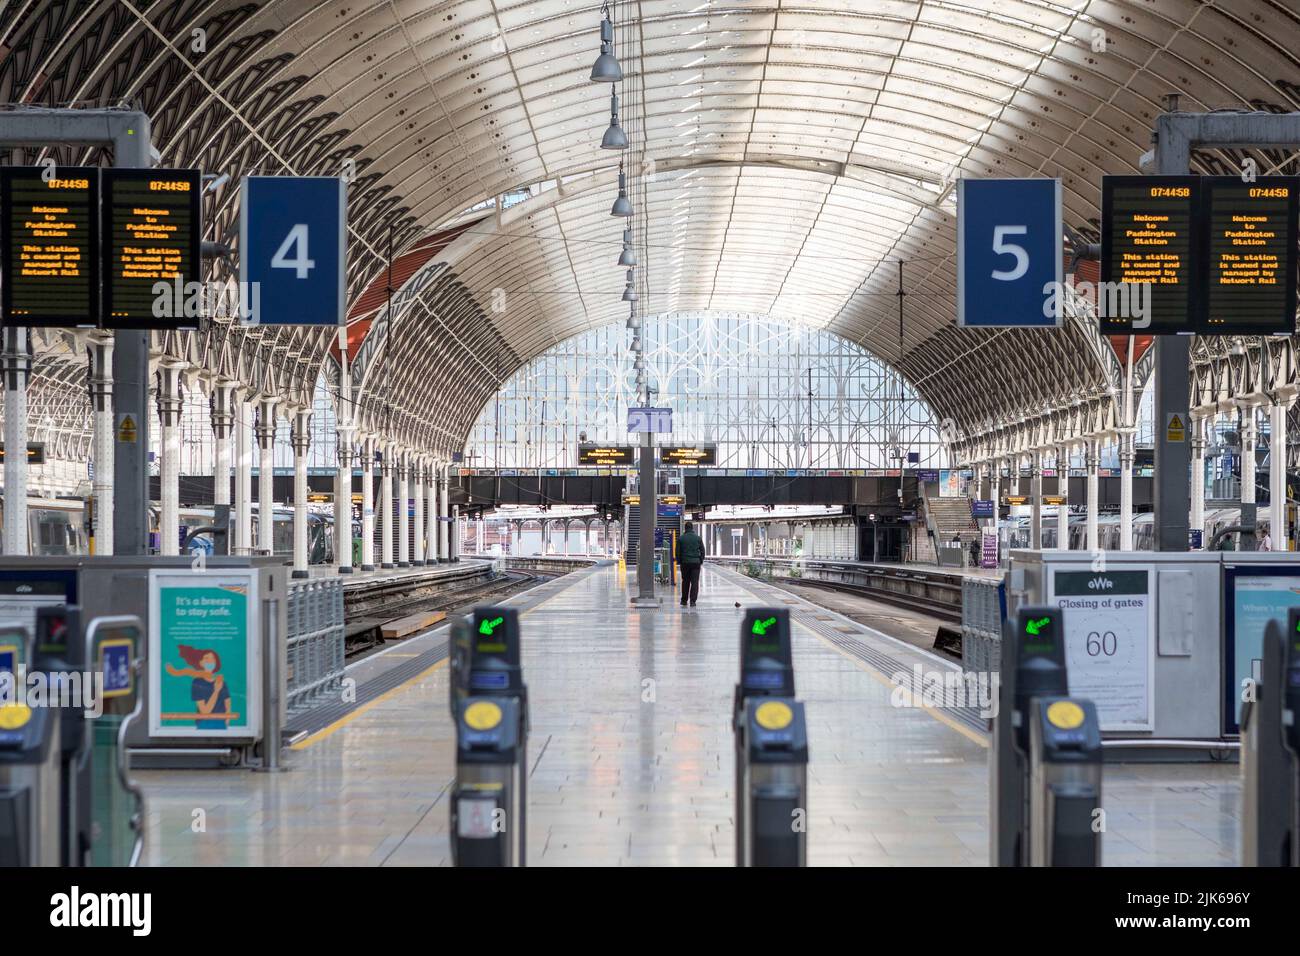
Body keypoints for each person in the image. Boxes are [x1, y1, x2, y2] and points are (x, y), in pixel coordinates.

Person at [676, 522, 706, 608]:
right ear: (692, 528)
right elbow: (703, 551)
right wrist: (700, 560)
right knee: (695, 582)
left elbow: (677, 552)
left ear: (685, 528)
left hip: (685, 563)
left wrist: (679, 561)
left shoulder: (681, 539)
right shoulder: (698, 538)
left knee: (685, 581)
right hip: (696, 563)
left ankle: (684, 600)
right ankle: (693, 602)